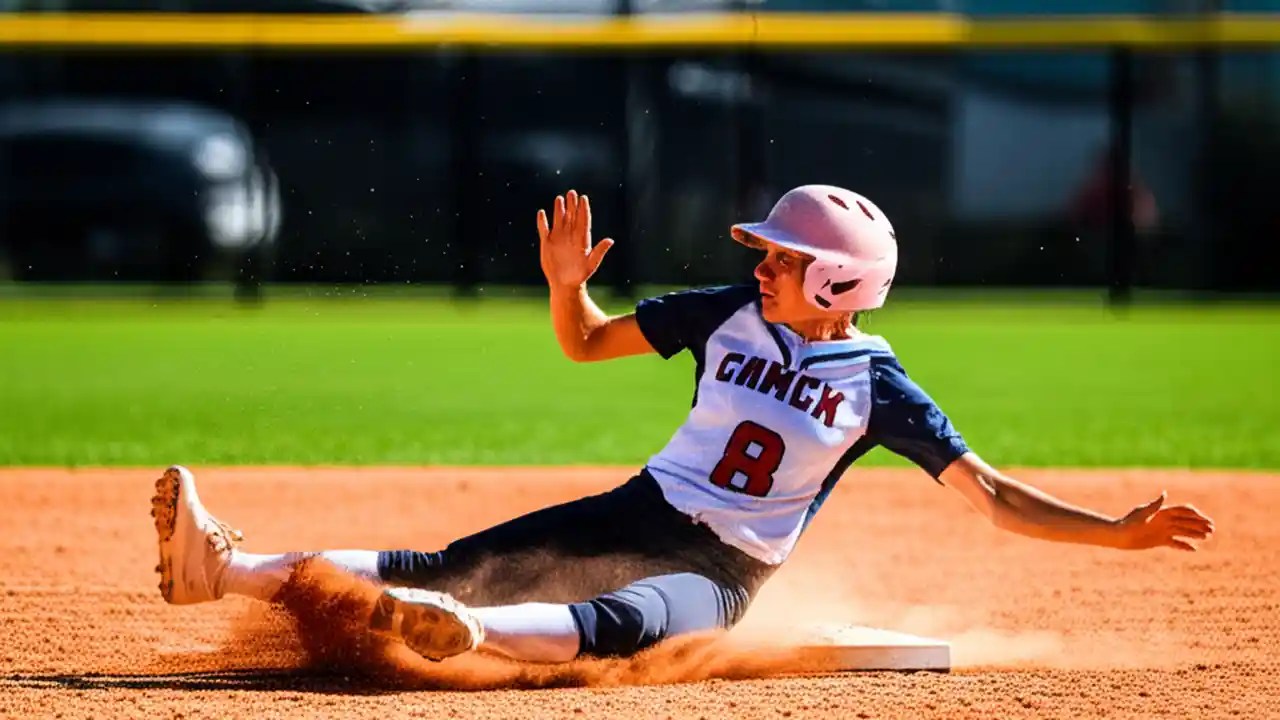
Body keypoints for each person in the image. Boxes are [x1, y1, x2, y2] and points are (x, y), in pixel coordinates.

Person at [151, 185, 1215, 665]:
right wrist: (565, 287)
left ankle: (468, 638)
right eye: (764, 252)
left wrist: (1111, 532)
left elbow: (988, 497)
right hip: (642, 505)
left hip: (725, 570)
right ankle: (223, 568)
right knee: (456, 558)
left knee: (629, 621)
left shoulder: (878, 383)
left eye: (782, 257)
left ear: (839, 281)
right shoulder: (724, 311)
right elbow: (585, 343)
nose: (762, 264)